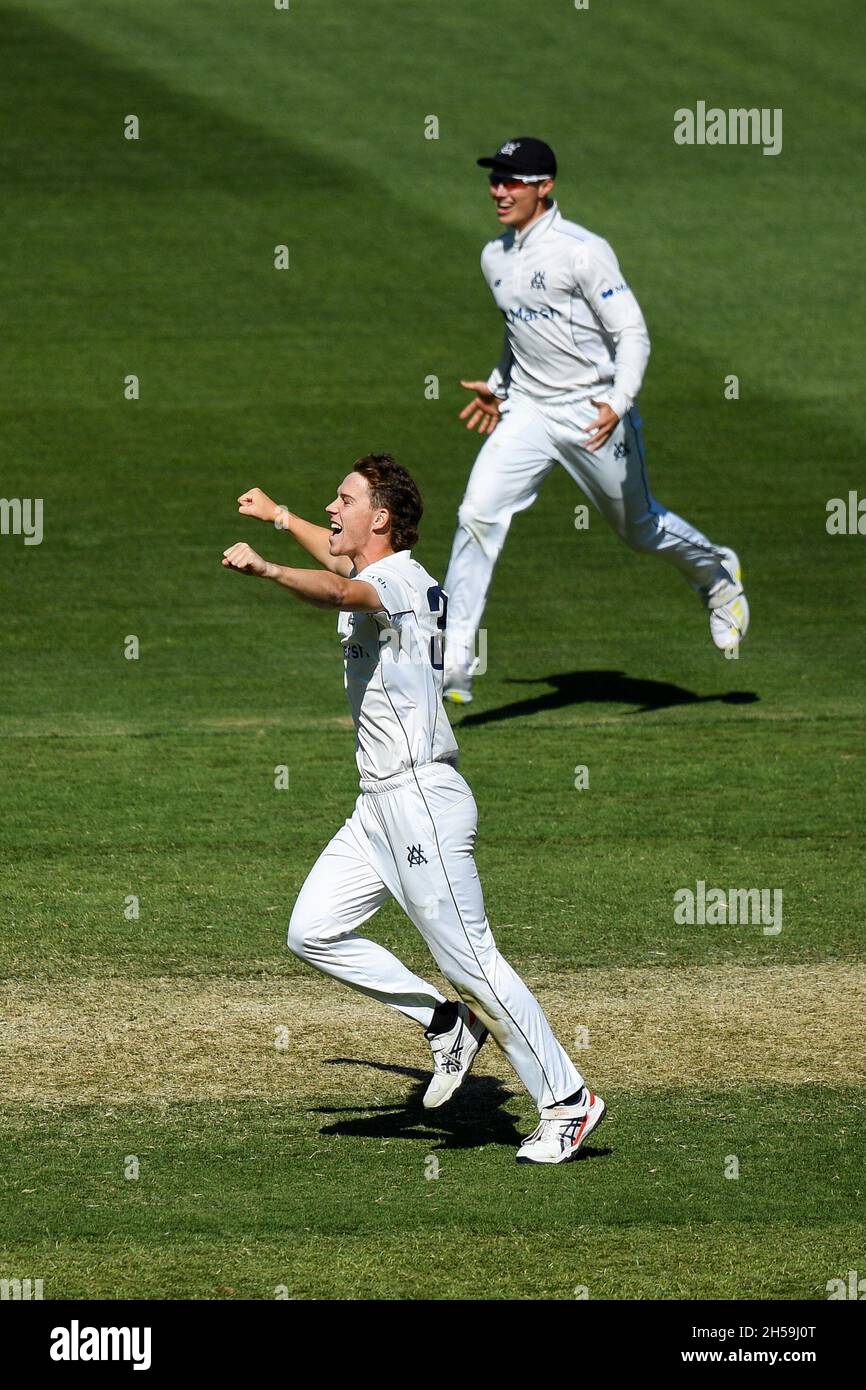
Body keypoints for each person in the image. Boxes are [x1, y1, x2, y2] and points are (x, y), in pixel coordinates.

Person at [221, 454, 605, 1164]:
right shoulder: (389, 572)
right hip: (377, 808)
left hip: (421, 799)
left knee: (474, 962)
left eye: (344, 500)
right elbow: (342, 563)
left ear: (382, 517)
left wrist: (270, 570)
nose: (331, 510)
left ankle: (568, 1100)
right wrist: (280, 518)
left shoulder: (390, 580)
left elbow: (341, 590)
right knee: (313, 930)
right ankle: (443, 1022)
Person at [442, 136, 749, 704]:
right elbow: (523, 333)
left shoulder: (582, 251)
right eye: (495, 179)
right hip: (529, 411)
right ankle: (454, 660)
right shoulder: (494, 257)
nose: (499, 190)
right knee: (477, 513)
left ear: (545, 187)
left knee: (639, 530)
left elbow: (630, 332)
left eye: (512, 181)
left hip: (593, 413)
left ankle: (716, 575)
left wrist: (619, 401)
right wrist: (499, 383)